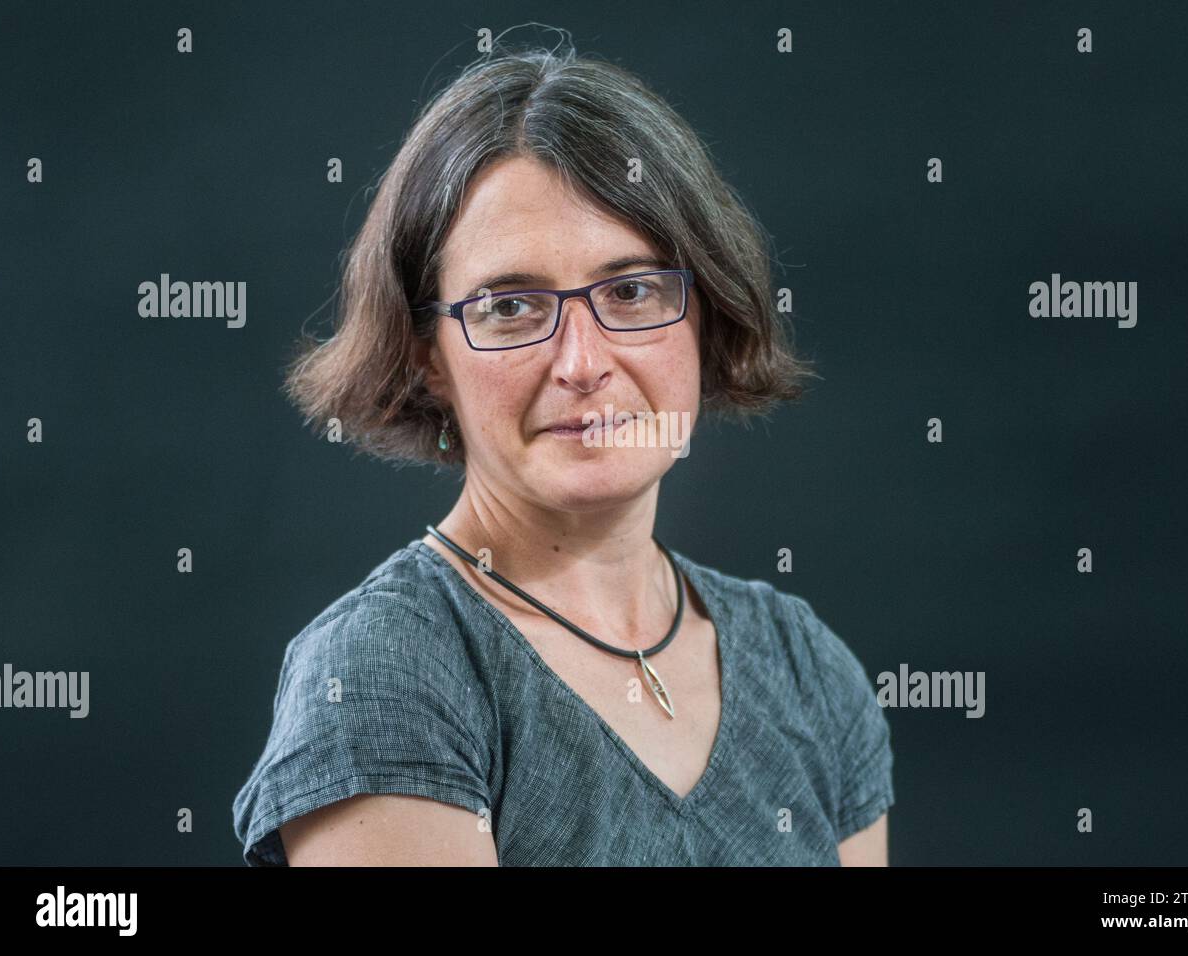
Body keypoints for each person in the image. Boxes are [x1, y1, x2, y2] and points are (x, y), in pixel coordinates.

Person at [232, 34, 894, 866]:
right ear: (426, 355)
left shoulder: (807, 668)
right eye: (509, 306)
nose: (582, 363)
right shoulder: (386, 671)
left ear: (707, 313)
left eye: (631, 290)